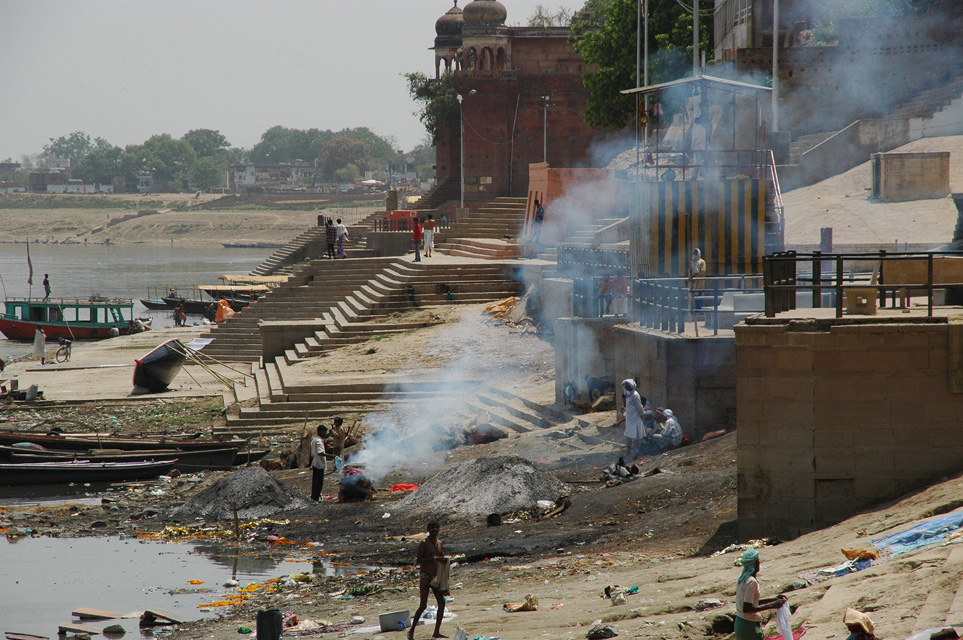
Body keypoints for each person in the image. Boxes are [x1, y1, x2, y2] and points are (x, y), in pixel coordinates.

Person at [735, 549, 787, 640]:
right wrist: (773, 605)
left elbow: (752, 602)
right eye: (757, 561)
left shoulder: (742, 579)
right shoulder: (751, 582)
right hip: (749, 625)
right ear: (754, 564)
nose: (759, 563)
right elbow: (747, 608)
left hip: (740, 623)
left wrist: (774, 599)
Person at [410, 521, 448, 640]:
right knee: (423, 605)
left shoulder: (439, 543)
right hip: (425, 576)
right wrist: (433, 559)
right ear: (428, 529)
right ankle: (411, 632)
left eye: (437, 528)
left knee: (441, 603)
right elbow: (419, 560)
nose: (435, 530)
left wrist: (443, 560)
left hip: (435, 578)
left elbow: (441, 557)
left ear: (439, 529)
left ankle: (436, 632)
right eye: (432, 528)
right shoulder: (424, 543)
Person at [616, 379, 646, 460]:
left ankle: (635, 453)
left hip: (634, 418)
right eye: (625, 386)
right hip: (629, 418)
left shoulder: (635, 395)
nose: (626, 387)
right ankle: (628, 452)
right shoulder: (627, 394)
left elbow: (639, 407)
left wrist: (642, 414)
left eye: (628, 386)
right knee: (628, 436)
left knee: (635, 436)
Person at [310, 424, 334, 502]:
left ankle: (314, 496)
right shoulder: (319, 441)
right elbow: (320, 452)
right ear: (320, 431)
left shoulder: (315, 439)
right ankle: (316, 498)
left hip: (315, 462)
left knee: (315, 481)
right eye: (324, 432)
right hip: (319, 463)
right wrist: (331, 456)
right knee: (318, 482)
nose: (324, 434)